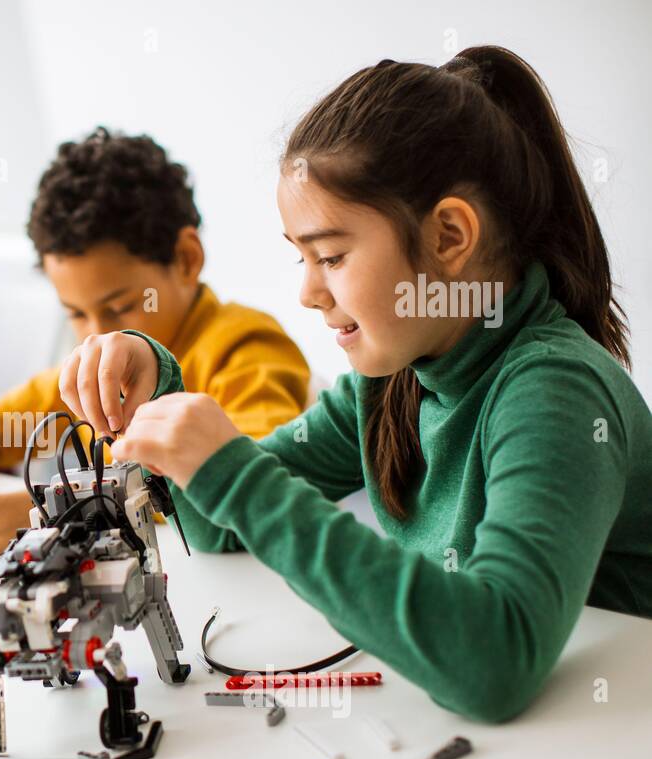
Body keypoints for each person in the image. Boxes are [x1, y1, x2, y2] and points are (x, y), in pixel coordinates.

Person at [59, 48, 652, 722]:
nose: (309, 292)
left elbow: (496, 665)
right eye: (301, 257)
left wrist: (238, 477)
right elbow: (224, 526)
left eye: (332, 256)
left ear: (450, 235)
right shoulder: (394, 381)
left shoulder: (557, 393)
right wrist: (160, 398)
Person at [0, 128, 310, 561]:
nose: (95, 334)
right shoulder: (100, 368)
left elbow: (246, 480)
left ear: (185, 259)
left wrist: (58, 513)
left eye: (120, 307)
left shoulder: (245, 347)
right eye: (76, 312)